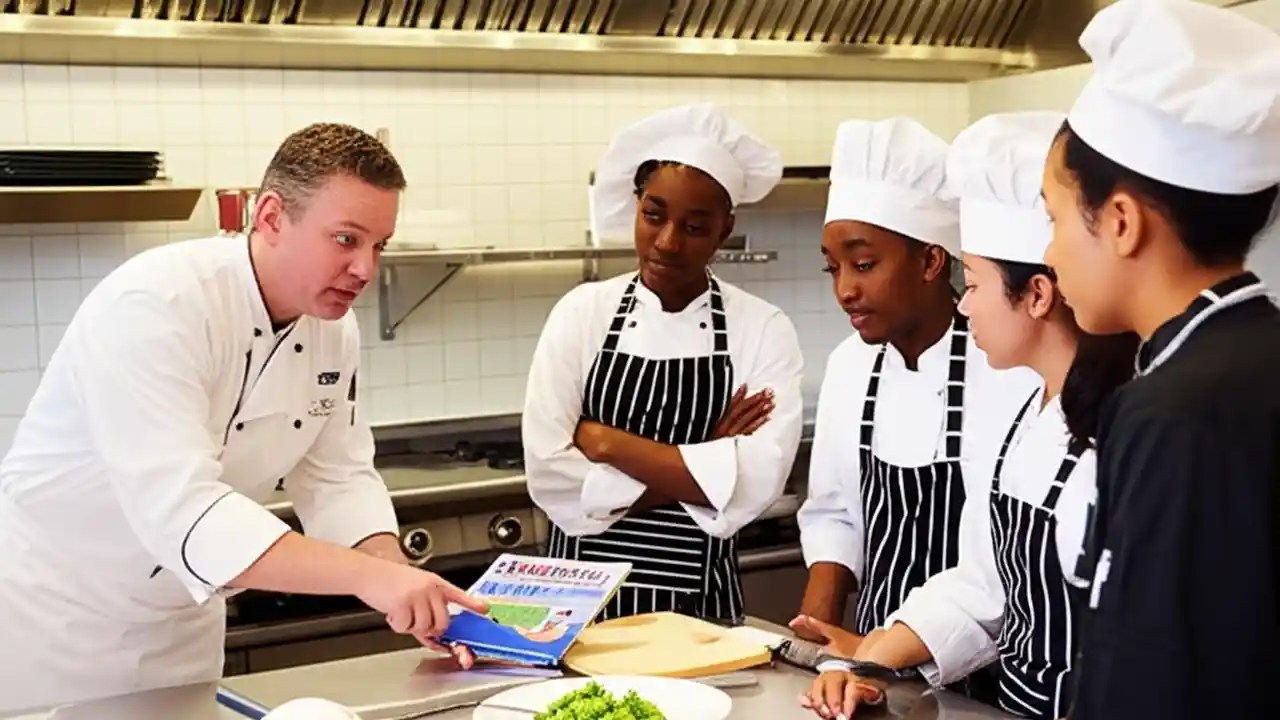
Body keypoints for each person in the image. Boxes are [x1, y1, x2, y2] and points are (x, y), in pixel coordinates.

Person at [0, 123, 487, 714]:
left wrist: (397, 580)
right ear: (273, 217)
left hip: (182, 628)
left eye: (379, 245)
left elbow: (338, 475)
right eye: (345, 238)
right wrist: (366, 578)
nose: (364, 268)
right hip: (55, 624)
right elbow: (185, 509)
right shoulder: (157, 306)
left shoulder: (333, 326)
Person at [796, 112, 1139, 720]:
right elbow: (985, 585)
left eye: (974, 282)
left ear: (1036, 293)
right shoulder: (1034, 421)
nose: (966, 302)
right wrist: (865, 659)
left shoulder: (1122, 431)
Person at [1037, 1, 1280, 718]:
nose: (1048, 252)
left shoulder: (1173, 408)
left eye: (1053, 218)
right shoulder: (1252, 356)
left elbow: (1150, 671)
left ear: (1119, 222)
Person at [522, 103, 805, 623]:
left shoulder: (762, 328)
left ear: (725, 229)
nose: (668, 242)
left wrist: (608, 445)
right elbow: (547, 473)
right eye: (654, 216)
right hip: (577, 607)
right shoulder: (582, 313)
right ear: (636, 207)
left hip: (701, 608)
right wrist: (705, 463)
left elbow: (757, 481)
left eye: (696, 227)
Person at [795, 117, 1039, 648]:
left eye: (862, 264)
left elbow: (996, 563)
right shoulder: (850, 366)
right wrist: (814, 635)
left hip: (981, 663)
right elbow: (835, 513)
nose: (845, 290)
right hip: (871, 653)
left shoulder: (1008, 371)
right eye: (832, 269)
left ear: (931, 260)